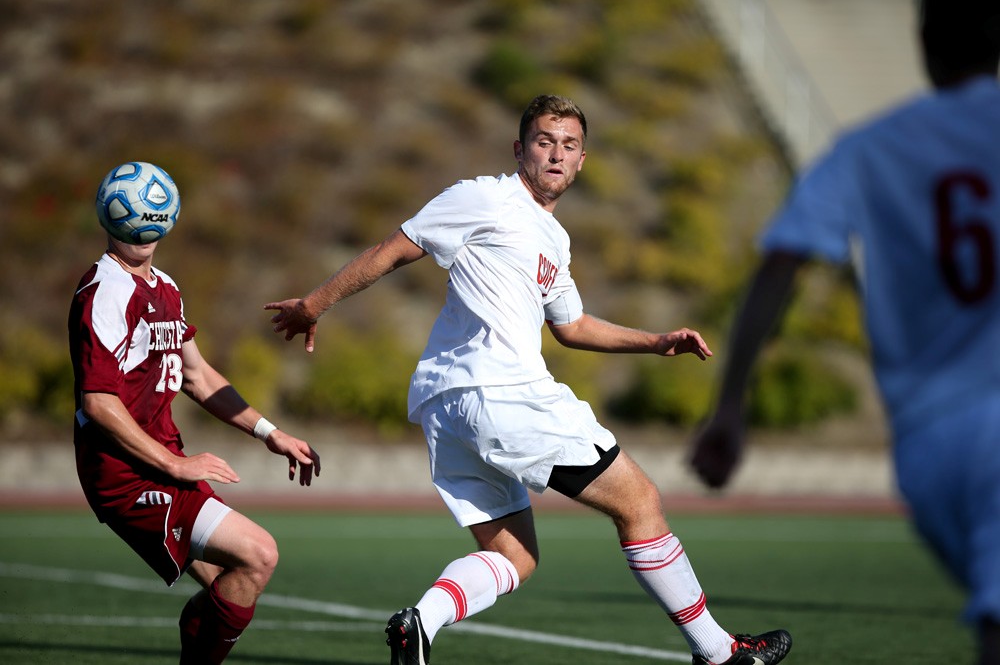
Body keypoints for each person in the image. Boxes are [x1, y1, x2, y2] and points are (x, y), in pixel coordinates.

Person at [267, 95, 791, 665]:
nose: (556, 155)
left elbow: (573, 325)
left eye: (569, 145)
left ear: (583, 160)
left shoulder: (554, 239)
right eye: (544, 141)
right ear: (520, 149)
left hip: (448, 408)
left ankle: (420, 623)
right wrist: (315, 303)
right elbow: (392, 251)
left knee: (514, 555)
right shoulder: (483, 197)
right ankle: (719, 654)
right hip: (502, 394)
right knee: (639, 501)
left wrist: (656, 341)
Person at [689, 0, 1000, 662]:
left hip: (933, 441)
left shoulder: (871, 147)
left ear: (923, 43)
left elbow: (780, 263)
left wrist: (729, 405)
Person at [69, 162, 321, 664]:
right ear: (109, 214)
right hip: (126, 470)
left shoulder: (165, 287)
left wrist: (268, 432)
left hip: (162, 460)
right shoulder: (104, 290)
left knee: (227, 586)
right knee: (259, 554)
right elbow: (97, 400)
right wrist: (174, 466)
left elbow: (197, 376)